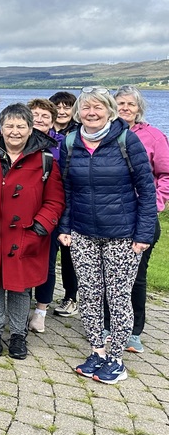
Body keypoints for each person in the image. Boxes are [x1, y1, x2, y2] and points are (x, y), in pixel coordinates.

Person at [58, 88, 156, 384]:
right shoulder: (71, 142)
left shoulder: (127, 140)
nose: (91, 112)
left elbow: (147, 190)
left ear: (110, 110)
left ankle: (116, 359)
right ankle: (97, 351)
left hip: (123, 235)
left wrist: (143, 234)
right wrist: (65, 228)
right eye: (86, 107)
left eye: (98, 107)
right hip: (83, 232)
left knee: (117, 297)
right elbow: (67, 191)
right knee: (88, 294)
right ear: (78, 113)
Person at [0, 104, 65, 360]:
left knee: (20, 286)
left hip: (26, 234)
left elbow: (55, 200)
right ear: (1, 127)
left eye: (20, 126)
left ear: (30, 129)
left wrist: (39, 228)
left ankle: (18, 334)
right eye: (9, 126)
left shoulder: (44, 158)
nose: (14, 131)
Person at [113, 85, 169, 353]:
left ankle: (134, 331)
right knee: (108, 274)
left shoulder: (154, 136)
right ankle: (107, 325)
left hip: (141, 216)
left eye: (130, 104)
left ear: (139, 109)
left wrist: (155, 204)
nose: (124, 108)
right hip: (111, 214)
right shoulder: (103, 134)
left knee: (136, 275)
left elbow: (166, 174)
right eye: (120, 103)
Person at [26, 98, 65, 334]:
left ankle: (40, 310)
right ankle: (18, 306)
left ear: (52, 121)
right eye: (35, 115)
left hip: (50, 212)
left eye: (44, 116)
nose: (39, 120)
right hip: (20, 212)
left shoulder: (61, 145)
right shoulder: (17, 140)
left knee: (47, 263)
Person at [49, 90, 80, 318]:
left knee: (69, 253)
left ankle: (71, 296)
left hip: (71, 199)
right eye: (57, 107)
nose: (61, 111)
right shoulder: (44, 132)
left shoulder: (79, 134)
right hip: (48, 198)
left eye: (67, 107)